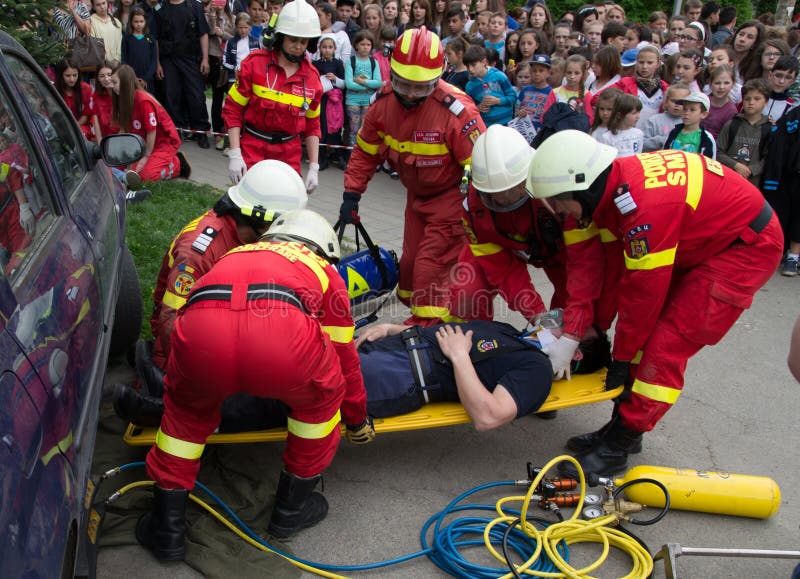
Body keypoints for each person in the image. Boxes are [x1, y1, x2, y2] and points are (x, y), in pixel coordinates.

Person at [527, 130, 783, 477]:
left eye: (557, 201)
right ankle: (623, 429)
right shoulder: (591, 201)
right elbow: (587, 274)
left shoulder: (644, 207)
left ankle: (621, 443)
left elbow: (641, 294)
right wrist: (575, 334)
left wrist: (622, 356)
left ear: (582, 186)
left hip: (743, 248)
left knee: (665, 344)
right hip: (700, 243)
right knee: (645, 339)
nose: (555, 210)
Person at [135, 210, 374, 561]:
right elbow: (344, 359)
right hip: (279, 338)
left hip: (201, 334)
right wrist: (355, 418)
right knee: (322, 399)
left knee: (184, 417)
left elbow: (186, 313)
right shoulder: (325, 272)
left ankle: (166, 530)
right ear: (323, 249)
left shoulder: (234, 253)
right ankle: (290, 511)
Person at [338, 26, 485, 326]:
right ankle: (433, 316)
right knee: (409, 268)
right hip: (416, 199)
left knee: (430, 268)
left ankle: (427, 331)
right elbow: (365, 153)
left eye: (422, 87)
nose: (411, 94)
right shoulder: (383, 104)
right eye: (404, 84)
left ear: (439, 77)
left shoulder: (457, 113)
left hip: (452, 200)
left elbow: (482, 169)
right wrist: (351, 195)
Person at [451, 124, 611, 371]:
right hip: (503, 249)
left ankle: (560, 361)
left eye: (513, 191)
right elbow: (503, 271)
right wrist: (536, 315)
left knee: (574, 308)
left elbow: (582, 269)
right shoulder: (473, 207)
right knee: (467, 291)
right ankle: (472, 354)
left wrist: (565, 333)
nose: (504, 200)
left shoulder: (555, 189)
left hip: (559, 252)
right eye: (496, 194)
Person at [223, 0, 323, 194]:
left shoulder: (312, 79)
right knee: (248, 211)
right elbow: (233, 110)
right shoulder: (255, 65)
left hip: (289, 154)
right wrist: (235, 154)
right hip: (253, 148)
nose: (298, 46)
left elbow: (313, 125)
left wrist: (314, 167)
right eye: (293, 40)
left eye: (303, 42)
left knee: (285, 214)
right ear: (280, 37)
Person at [111, 64, 190, 181]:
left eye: (115, 82)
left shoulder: (143, 101)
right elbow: (123, 129)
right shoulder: (124, 100)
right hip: (144, 143)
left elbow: (151, 132)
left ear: (125, 82)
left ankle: (177, 163)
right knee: (116, 166)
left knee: (145, 175)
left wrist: (146, 157)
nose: (112, 86)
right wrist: (113, 150)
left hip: (163, 143)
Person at [154, 0, 212, 148]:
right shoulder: (160, 8)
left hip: (191, 59)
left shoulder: (195, 6)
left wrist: (205, 59)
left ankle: (201, 132)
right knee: (171, 95)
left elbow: (203, 34)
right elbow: (156, 39)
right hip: (169, 59)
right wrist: (158, 63)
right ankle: (176, 131)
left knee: (196, 96)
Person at [716, 78, 770, 187]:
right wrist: (736, 165)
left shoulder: (768, 129)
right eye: (747, 99)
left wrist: (751, 170)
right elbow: (718, 152)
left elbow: (769, 158)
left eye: (757, 99)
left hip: (753, 184)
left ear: (766, 101)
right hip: (728, 180)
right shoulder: (731, 125)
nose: (751, 102)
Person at [464, 45, 516, 127]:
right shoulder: (469, 86)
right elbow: (469, 108)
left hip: (506, 123)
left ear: (484, 62)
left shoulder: (499, 76)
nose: (470, 69)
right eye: (467, 66)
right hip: (486, 125)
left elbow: (513, 97)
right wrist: (478, 108)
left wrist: (498, 100)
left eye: (473, 65)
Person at [665, 92, 717, 158]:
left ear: (703, 114)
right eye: (684, 109)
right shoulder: (674, 132)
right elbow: (664, 153)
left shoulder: (707, 138)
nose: (686, 113)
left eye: (692, 110)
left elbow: (711, 163)